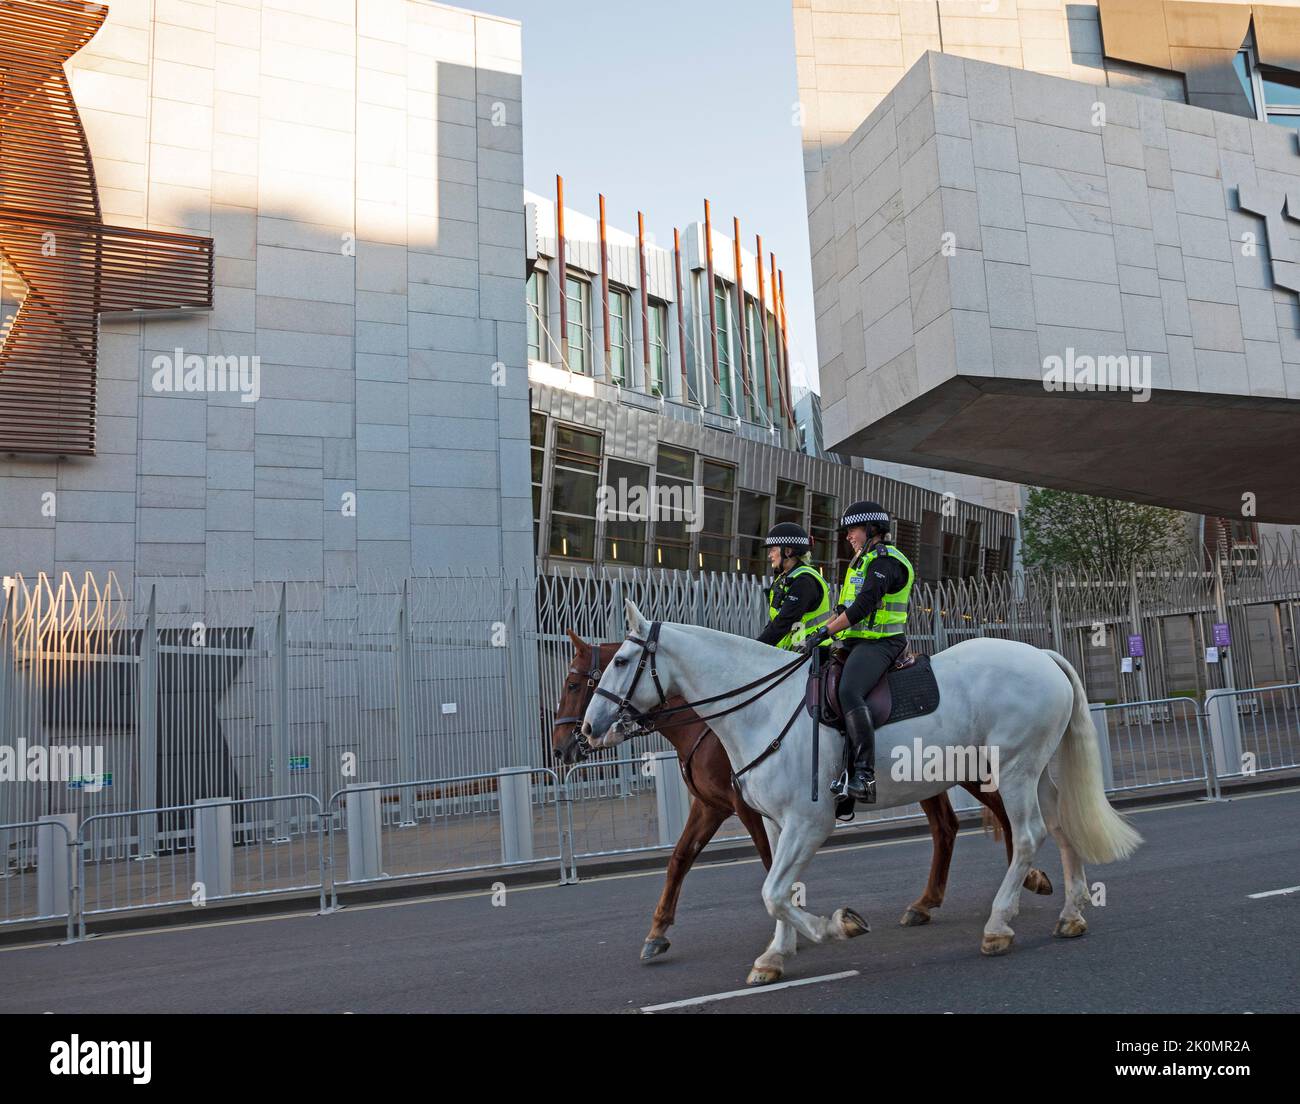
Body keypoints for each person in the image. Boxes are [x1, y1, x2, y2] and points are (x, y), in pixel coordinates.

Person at [799, 501, 914, 803]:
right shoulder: (861, 561)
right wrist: (819, 634)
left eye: (853, 529)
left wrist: (825, 631)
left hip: (882, 643)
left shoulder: (886, 562)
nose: (848, 536)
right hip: (855, 643)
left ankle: (864, 775)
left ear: (872, 530)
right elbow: (846, 608)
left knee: (849, 691)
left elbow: (863, 607)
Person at [755, 522, 833, 652]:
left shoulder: (804, 581)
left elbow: (785, 621)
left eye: (773, 550)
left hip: (812, 653)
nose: (770, 555)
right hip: (794, 652)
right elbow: (775, 621)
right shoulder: (785, 578)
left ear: (788, 551)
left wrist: (755, 648)